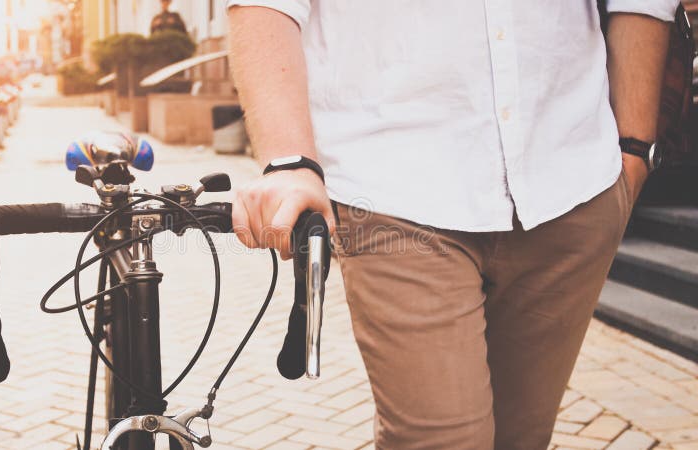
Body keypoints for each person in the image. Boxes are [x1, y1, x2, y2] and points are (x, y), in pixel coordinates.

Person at [226, 1, 677, 449]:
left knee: (521, 439)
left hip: (569, 176)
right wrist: (290, 161)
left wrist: (635, 149)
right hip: (395, 188)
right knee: (441, 439)